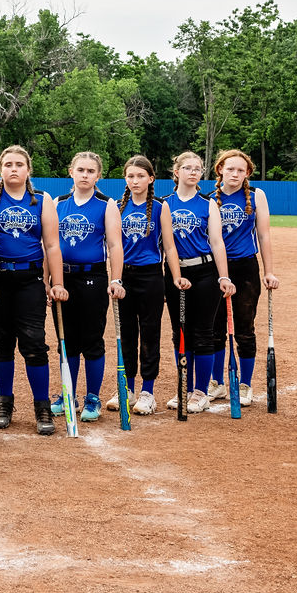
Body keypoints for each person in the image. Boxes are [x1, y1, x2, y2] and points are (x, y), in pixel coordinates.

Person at [0, 145, 65, 435]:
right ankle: (4, 401)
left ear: (28, 169)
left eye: (19, 164)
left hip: (30, 279)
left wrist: (56, 282)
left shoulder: (42, 200)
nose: (14, 169)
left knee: (34, 344)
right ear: (0, 168)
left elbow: (52, 245)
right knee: (1, 343)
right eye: (8, 164)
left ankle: (42, 405)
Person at [50, 151, 125, 421]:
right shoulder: (57, 203)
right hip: (64, 279)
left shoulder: (107, 205)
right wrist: (51, 281)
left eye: (90, 171)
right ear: (71, 171)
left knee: (92, 340)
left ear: (98, 175)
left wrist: (116, 278)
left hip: (93, 278)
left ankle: (93, 397)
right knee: (65, 340)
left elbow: (115, 245)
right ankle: (67, 393)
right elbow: (49, 245)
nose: (85, 175)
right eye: (80, 170)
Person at [205, 149, 281, 406]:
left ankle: (245, 385)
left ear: (247, 173)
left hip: (245, 268)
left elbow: (264, 235)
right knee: (214, 329)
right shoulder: (209, 198)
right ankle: (216, 383)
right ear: (220, 171)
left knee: (244, 329)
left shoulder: (257, 195)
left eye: (240, 170)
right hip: (215, 270)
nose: (235, 174)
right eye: (230, 169)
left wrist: (268, 270)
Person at [163, 152, 236, 413]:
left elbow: (217, 242)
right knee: (180, 333)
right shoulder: (164, 204)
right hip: (175, 273)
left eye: (197, 168)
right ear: (176, 172)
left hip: (204, 272)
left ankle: (201, 392)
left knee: (203, 332)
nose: (193, 172)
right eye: (187, 168)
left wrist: (224, 276)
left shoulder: (208, 204)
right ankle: (184, 386)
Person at [115, 154, 184, 416]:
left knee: (150, 333)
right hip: (125, 277)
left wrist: (175, 276)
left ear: (151, 178)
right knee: (127, 335)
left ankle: (148, 391)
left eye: (140, 176)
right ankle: (127, 387)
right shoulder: (116, 207)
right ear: (125, 179)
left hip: (151, 276)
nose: (135, 180)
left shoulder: (159, 206)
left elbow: (169, 245)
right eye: (131, 176)